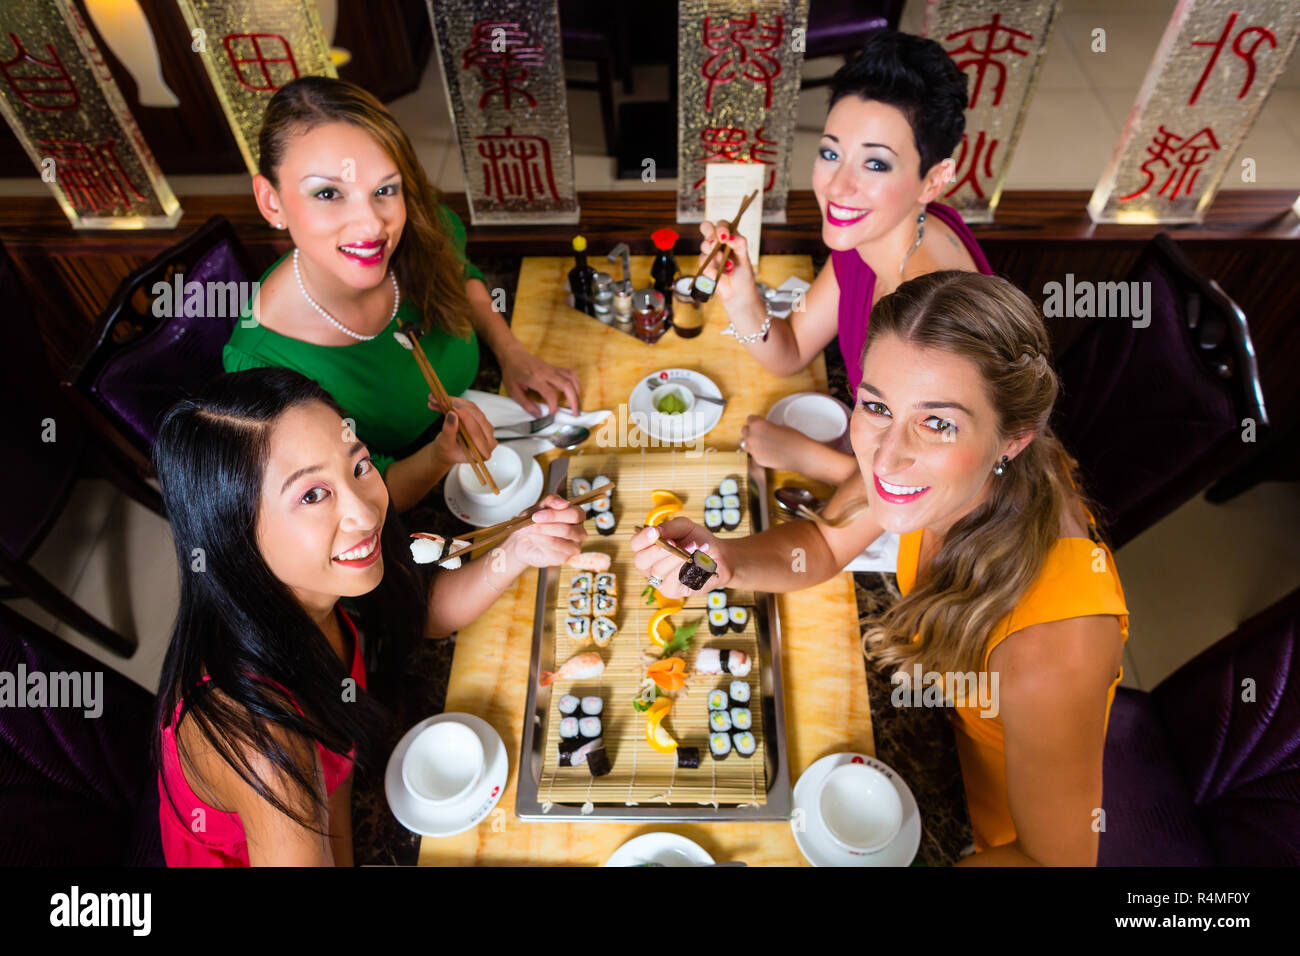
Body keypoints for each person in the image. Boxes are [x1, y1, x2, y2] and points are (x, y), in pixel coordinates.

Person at [631, 272, 1129, 866]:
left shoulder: (1052, 647)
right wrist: (726, 562)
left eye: (938, 422)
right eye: (876, 406)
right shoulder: (955, 477)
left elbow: (1051, 864)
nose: (885, 457)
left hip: (991, 831)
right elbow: (821, 541)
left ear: (1012, 440)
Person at [153, 368, 586, 865]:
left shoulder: (317, 584)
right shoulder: (261, 739)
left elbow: (423, 613)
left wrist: (521, 548)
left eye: (358, 465)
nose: (365, 511)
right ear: (235, 537)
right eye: (311, 495)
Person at [224, 76, 581, 512]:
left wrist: (511, 353)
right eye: (328, 193)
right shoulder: (261, 365)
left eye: (384, 189)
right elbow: (358, 499)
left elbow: (460, 274)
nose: (372, 225)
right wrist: (439, 457)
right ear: (271, 201)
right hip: (415, 495)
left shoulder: (416, 225)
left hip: (497, 408)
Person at [696, 30, 992, 484]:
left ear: (933, 180)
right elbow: (791, 350)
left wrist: (807, 458)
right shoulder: (872, 238)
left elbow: (942, 490)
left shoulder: (936, 323)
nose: (836, 186)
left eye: (875, 164)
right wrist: (741, 296)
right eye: (831, 153)